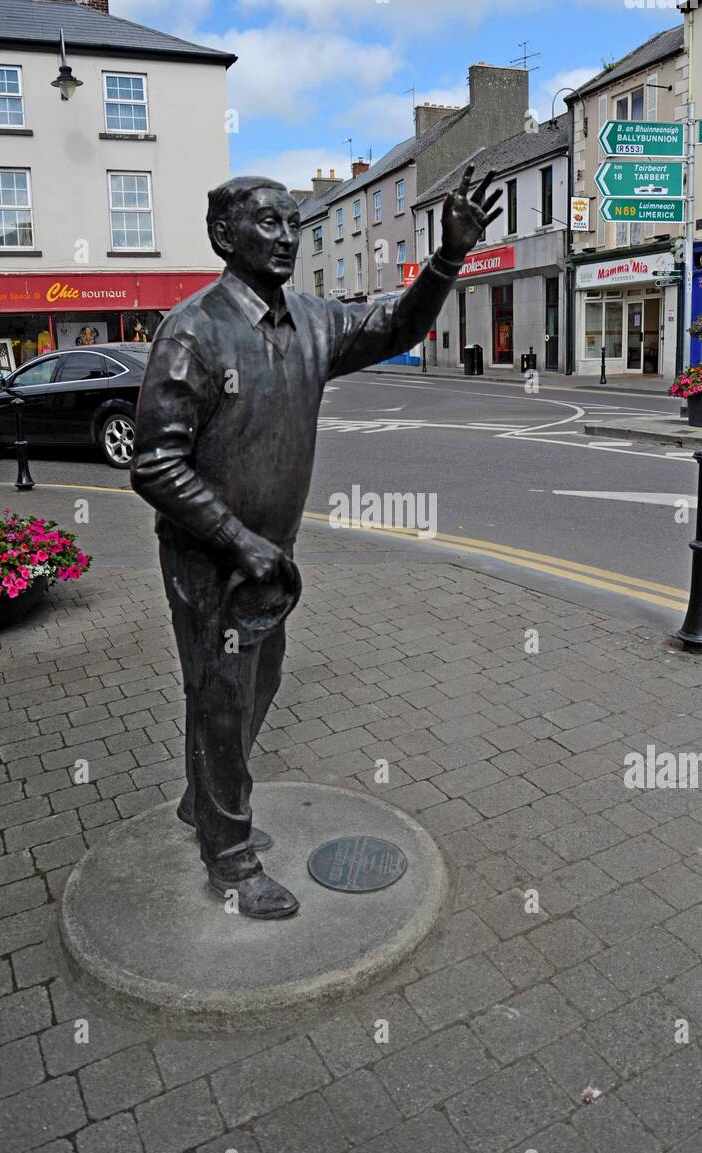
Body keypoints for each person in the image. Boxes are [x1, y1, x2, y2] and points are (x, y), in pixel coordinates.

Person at [131, 169, 501, 918]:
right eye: (266, 223)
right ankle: (229, 859)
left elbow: (397, 326)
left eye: (292, 222)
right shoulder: (193, 330)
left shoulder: (311, 320)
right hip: (211, 560)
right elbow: (155, 462)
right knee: (223, 697)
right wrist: (235, 538)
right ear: (223, 237)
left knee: (255, 686)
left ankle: (201, 801)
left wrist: (447, 260)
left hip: (270, 562)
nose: (285, 235)